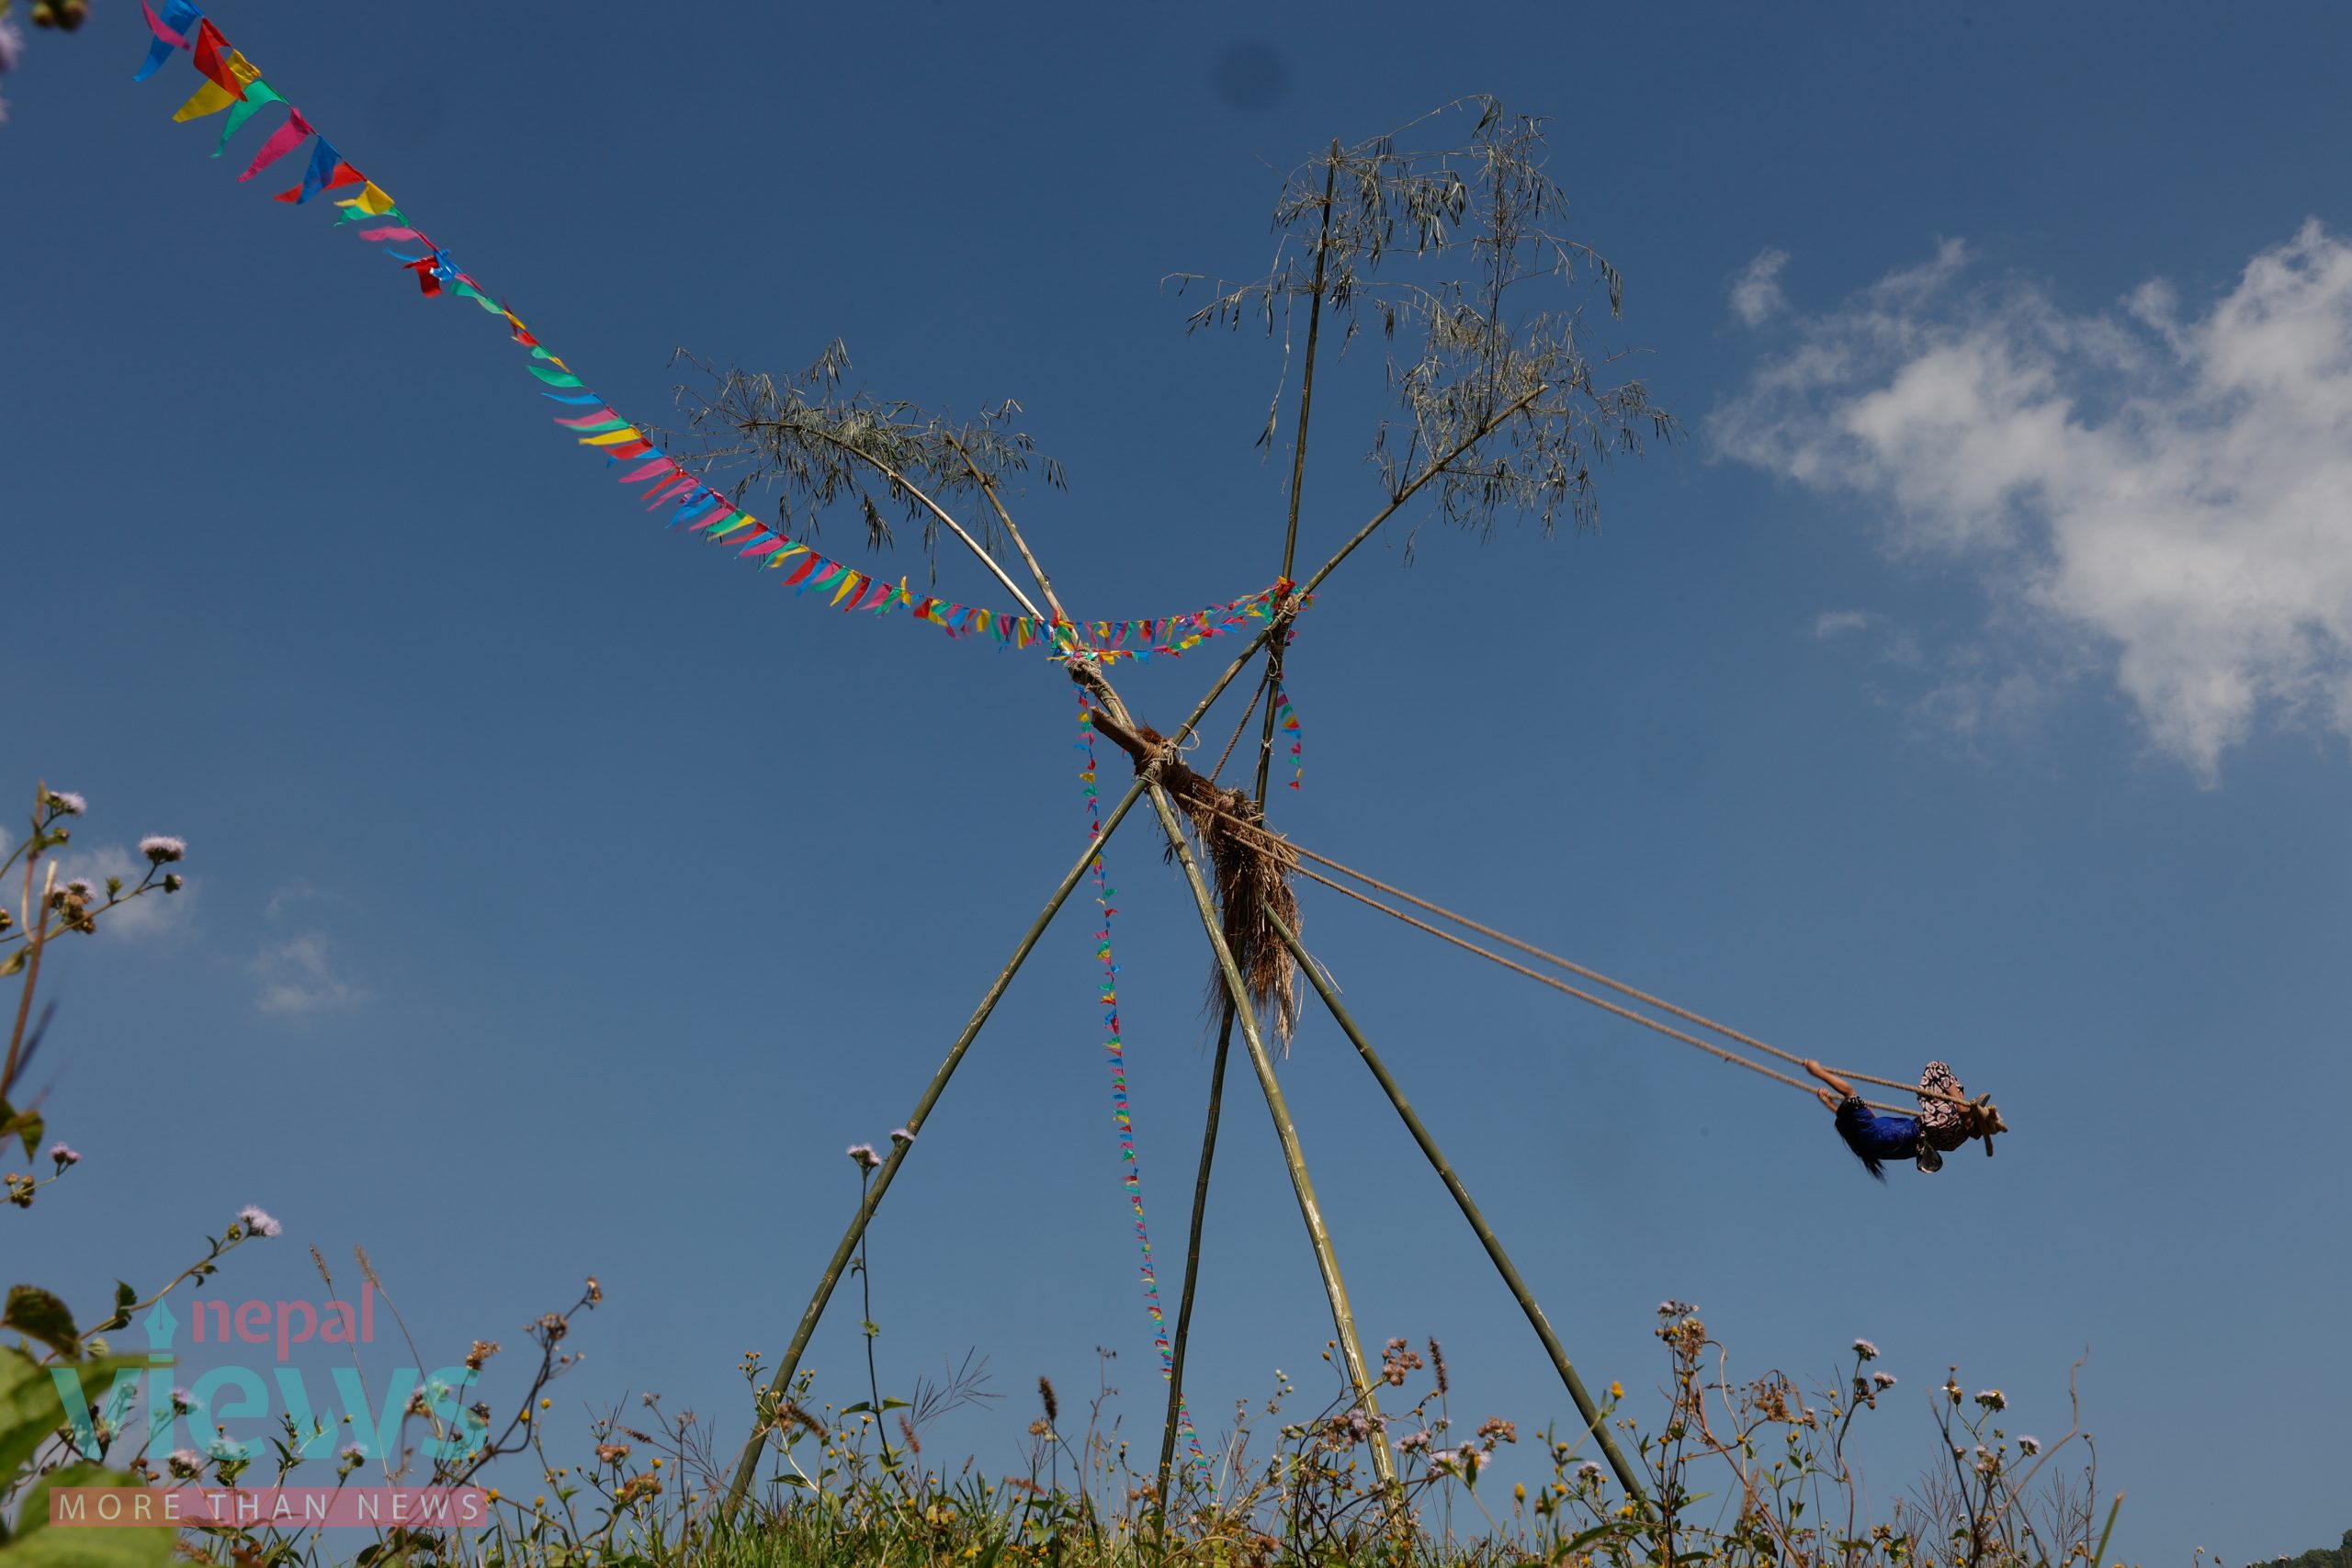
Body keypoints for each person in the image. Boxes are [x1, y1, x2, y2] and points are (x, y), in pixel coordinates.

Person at [1804, 1059, 1974, 1179]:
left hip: (1947, 1142)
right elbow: (1848, 1091)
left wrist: (1828, 1103)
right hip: (1937, 1125)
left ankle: (1968, 1116)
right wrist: (1817, 1071)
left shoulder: (1867, 1142)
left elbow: (1851, 1117)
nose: (1866, 1108)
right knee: (1936, 1068)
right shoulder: (1867, 1127)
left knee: (1947, 1091)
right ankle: (1964, 1109)